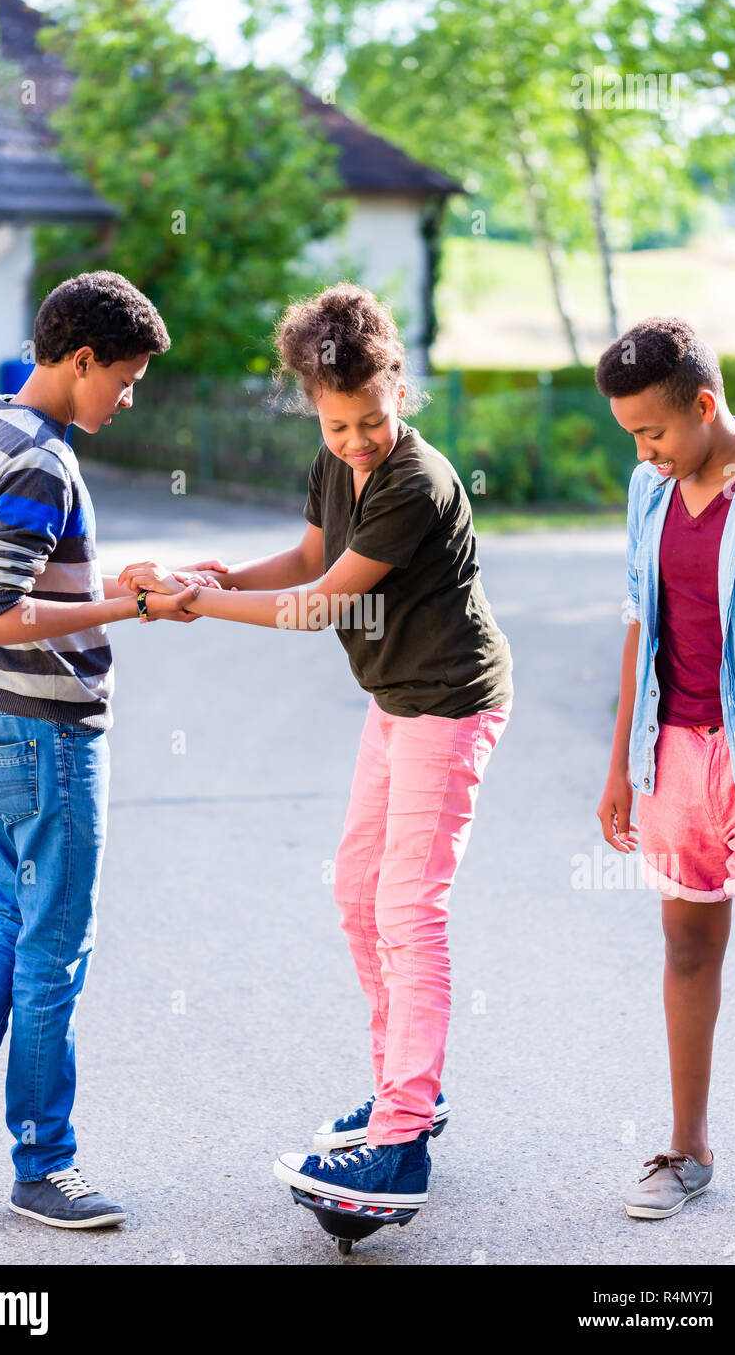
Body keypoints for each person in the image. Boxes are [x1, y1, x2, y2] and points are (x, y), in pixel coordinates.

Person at [119, 282, 513, 1208]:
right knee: (355, 892)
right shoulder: (333, 466)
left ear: (399, 391)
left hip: (448, 703)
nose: (355, 441)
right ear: (316, 410)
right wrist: (202, 576)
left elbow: (319, 604)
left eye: (370, 421)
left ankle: (403, 1136)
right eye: (337, 426)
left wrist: (199, 603)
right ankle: (400, 1094)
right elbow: (301, 563)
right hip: (396, 699)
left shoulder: (417, 480)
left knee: (409, 909)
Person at [0, 271, 219, 1230]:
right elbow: (3, 615)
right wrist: (136, 605)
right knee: (54, 947)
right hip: (42, 732)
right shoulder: (44, 460)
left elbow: (26, 573)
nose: (128, 398)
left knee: (17, 921)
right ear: (81, 360)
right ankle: (45, 1164)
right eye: (122, 379)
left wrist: (119, 576)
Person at [596, 316, 735, 1221]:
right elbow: (637, 621)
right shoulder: (647, 493)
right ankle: (688, 1149)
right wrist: (624, 760)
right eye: (633, 437)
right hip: (675, 749)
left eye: (655, 432)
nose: (646, 451)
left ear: (705, 404)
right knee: (687, 943)